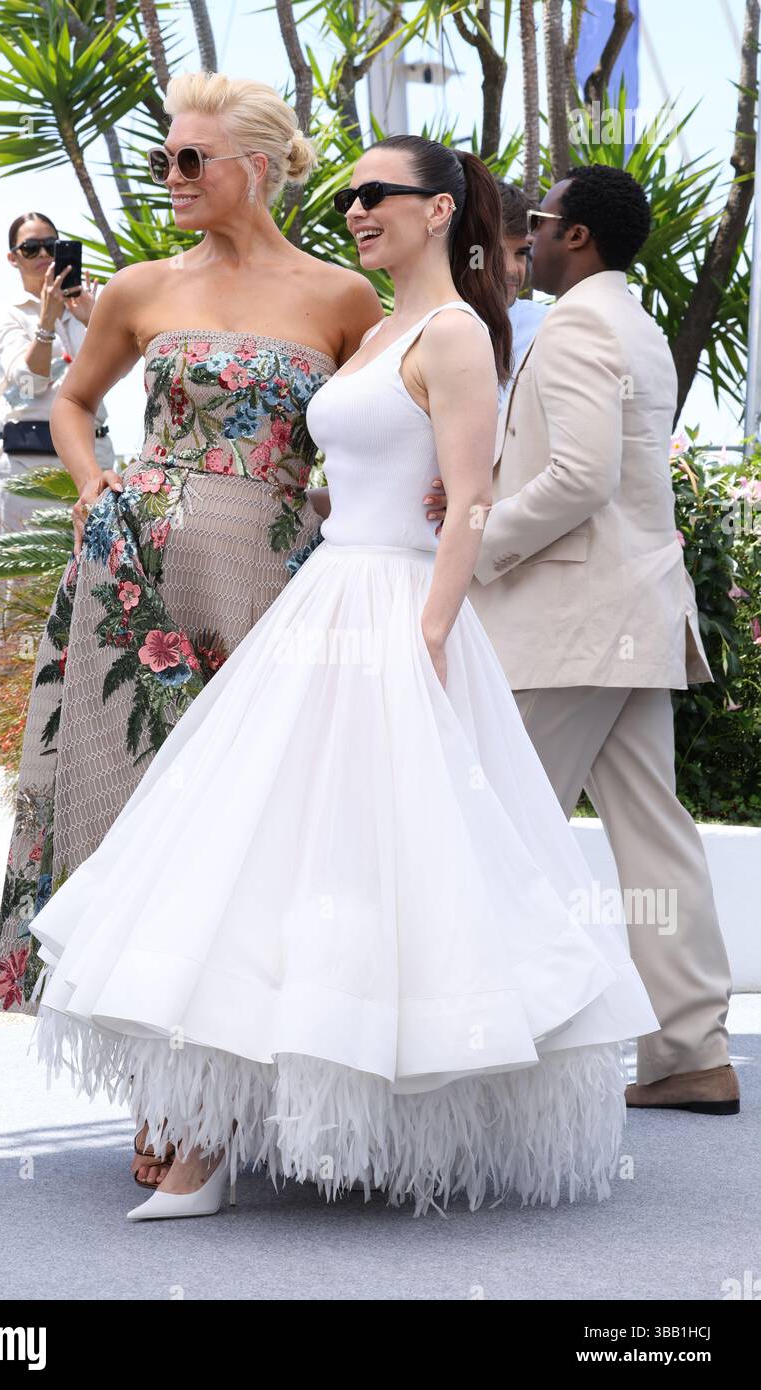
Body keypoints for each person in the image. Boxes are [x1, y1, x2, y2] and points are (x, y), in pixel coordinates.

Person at [26, 134, 659, 1221]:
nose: (355, 209)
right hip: (322, 601)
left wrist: (428, 630)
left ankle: (297, 1128)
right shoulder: (379, 335)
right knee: (254, 848)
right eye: (347, 195)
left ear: (440, 209)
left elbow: (464, 500)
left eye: (376, 194)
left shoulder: (454, 332)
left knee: (384, 865)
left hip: (397, 618)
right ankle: (210, 1131)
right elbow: (361, 480)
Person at [0, 72, 383, 1190]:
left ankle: (236, 1087)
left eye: (189, 160)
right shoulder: (138, 288)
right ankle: (161, 1094)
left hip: (273, 586)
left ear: (255, 165)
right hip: (136, 579)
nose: (169, 177)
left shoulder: (341, 297)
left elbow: (374, 428)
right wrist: (96, 484)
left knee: (251, 828)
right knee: (134, 820)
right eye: (164, 157)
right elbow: (69, 401)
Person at [426, 165, 737, 1116]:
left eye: (541, 221)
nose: (526, 233)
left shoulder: (578, 326)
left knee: (497, 826)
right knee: (656, 843)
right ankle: (691, 1049)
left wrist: (472, 543)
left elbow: (578, 478)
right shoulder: (633, 325)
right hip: (633, 618)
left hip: (570, 625)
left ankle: (479, 1050)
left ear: (580, 238)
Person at [0, 212, 113, 726]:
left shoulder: (90, 305)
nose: (45, 255)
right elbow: (26, 389)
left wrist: (94, 318)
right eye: (31, 249)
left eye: (52, 245)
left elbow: (122, 371)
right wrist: (47, 322)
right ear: (13, 258)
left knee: (90, 580)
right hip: (26, 465)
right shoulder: (9, 312)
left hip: (90, 459)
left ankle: (85, 716)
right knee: (16, 589)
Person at [494, 180, 550, 409]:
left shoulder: (550, 329)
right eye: (495, 252)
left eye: (521, 253)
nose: (511, 268)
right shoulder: (411, 333)